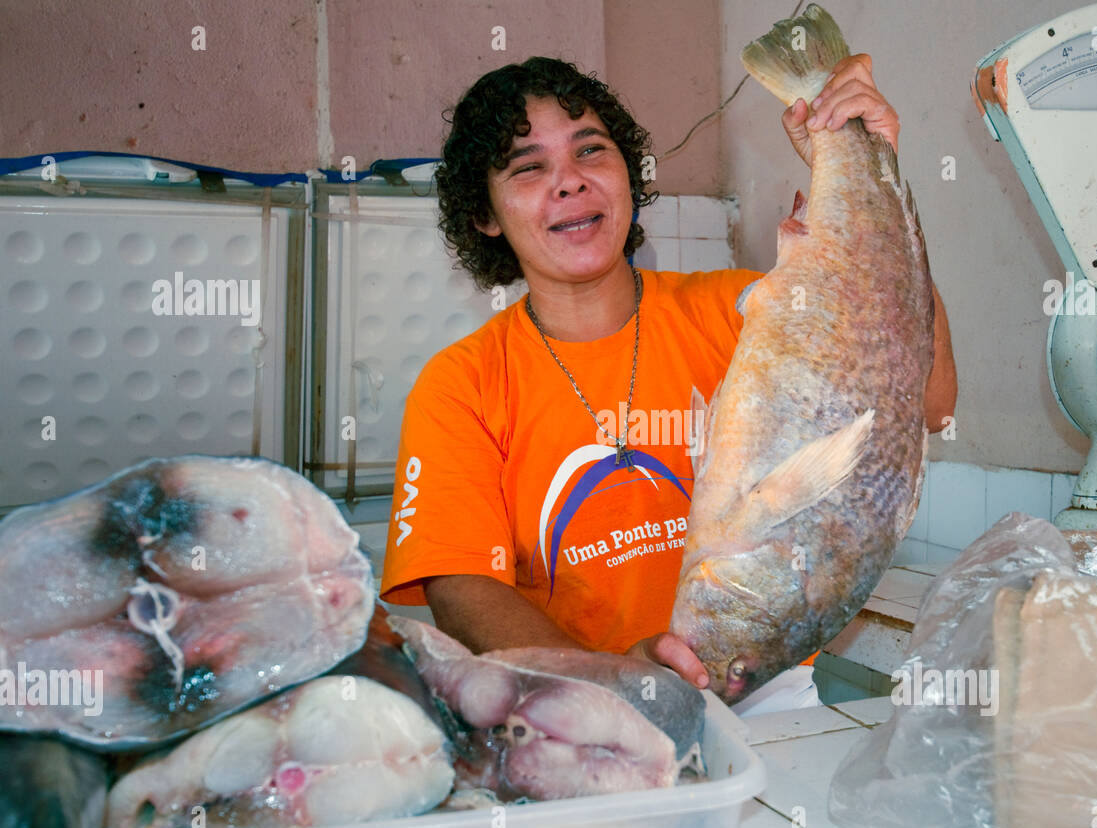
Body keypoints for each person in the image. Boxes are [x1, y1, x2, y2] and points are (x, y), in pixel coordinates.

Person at [379, 54, 956, 712]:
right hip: (570, 698)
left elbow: (930, 404)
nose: (569, 182)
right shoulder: (461, 382)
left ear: (629, 175)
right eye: (529, 166)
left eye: (591, 151)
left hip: (760, 690)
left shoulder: (745, 312)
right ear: (485, 214)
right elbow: (462, 587)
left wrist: (873, 161)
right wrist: (609, 680)